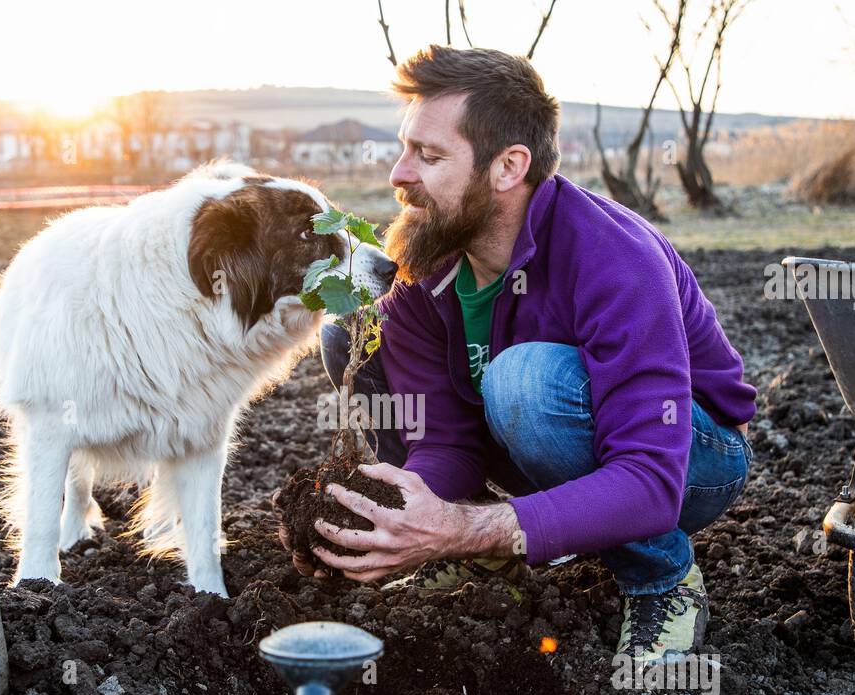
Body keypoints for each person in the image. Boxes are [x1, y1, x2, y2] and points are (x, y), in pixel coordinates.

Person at [285, 45, 756, 663]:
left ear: (508, 167)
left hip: (690, 458)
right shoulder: (430, 260)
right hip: (539, 441)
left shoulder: (615, 260)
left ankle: (661, 579)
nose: (399, 175)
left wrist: (457, 528)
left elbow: (650, 480)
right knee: (352, 334)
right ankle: (487, 553)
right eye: (405, 148)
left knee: (523, 384)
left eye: (429, 156)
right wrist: (399, 518)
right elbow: (446, 442)